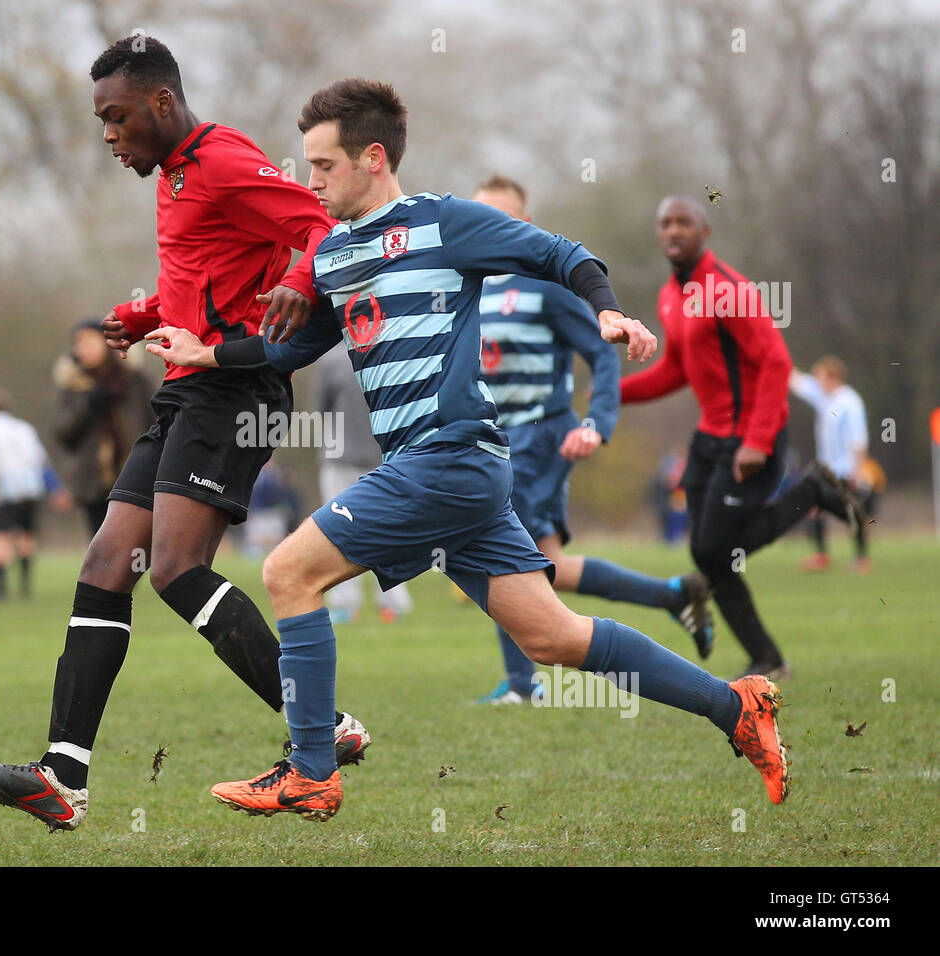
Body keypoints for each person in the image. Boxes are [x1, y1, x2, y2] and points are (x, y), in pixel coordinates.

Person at [147, 78, 792, 819]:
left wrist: (609, 314)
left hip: (448, 458)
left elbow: (562, 254)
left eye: (323, 167)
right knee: (553, 637)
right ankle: (734, 707)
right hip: (453, 473)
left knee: (288, 572)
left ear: (373, 158)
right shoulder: (331, 258)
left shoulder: (445, 223)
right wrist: (208, 354)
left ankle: (312, 770)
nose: (310, 182)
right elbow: (286, 353)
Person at [0, 37, 371, 832]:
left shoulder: (221, 159)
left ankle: (325, 730)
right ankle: (63, 777)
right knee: (108, 562)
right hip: (185, 390)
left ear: (161, 103)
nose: (109, 135)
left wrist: (292, 281)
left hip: (233, 388)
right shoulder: (175, 172)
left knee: (176, 569)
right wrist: (146, 314)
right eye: (100, 121)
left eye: (116, 119)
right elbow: (212, 269)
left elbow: (317, 225)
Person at [471, 175, 712, 706]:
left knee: (503, 553)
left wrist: (596, 423)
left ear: (523, 225)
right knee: (548, 566)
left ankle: (521, 684)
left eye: (500, 217)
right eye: (479, 214)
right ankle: (673, 594)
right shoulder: (474, 286)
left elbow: (602, 352)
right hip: (498, 439)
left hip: (540, 436)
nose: (487, 227)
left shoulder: (544, 287)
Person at [620, 196, 866, 680]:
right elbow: (677, 368)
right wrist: (615, 394)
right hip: (709, 438)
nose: (673, 231)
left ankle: (812, 491)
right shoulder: (671, 294)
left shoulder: (728, 289)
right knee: (707, 553)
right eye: (665, 223)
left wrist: (756, 439)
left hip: (753, 437)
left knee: (711, 551)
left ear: (704, 230)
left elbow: (776, 361)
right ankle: (767, 658)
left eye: (683, 222)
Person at [315, 341, 412, 624]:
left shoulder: (332, 359)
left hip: (354, 457)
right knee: (386, 530)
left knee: (339, 533)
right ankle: (390, 602)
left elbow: (319, 410)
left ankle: (353, 604)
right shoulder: (392, 353)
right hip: (374, 457)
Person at [0, 388, 71, 600]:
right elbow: (41, 463)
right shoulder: (24, 429)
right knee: (25, 535)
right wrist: (55, 490)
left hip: (5, 492)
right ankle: (25, 588)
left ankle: (1, 590)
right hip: (31, 490)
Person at [51, 318, 155, 537]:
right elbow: (62, 432)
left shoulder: (135, 381)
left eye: (89, 341)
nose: (82, 348)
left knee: (134, 543)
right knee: (100, 544)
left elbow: (155, 422)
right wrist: (88, 406)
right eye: (78, 343)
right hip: (92, 482)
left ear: (108, 342)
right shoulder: (73, 386)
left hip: (135, 475)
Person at [788, 357, 874, 572]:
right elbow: (798, 383)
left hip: (846, 470)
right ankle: (821, 555)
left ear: (832, 377)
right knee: (814, 508)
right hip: (827, 470)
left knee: (852, 513)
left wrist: (859, 469)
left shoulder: (850, 402)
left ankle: (862, 559)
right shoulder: (825, 399)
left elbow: (858, 439)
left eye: (820, 377)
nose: (817, 381)